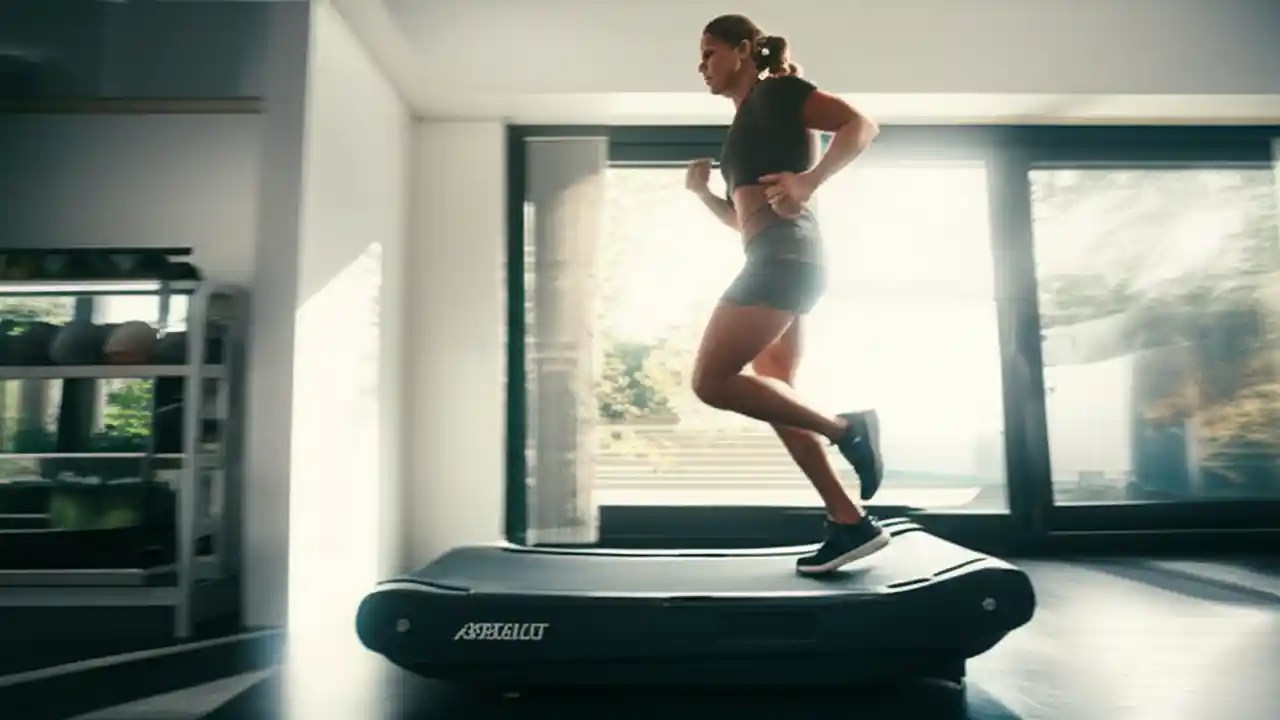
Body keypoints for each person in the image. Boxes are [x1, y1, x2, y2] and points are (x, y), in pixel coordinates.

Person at [685, 14, 886, 575]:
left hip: (784, 258)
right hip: (776, 257)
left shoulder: (776, 93)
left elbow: (860, 125)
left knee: (711, 381)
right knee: (776, 395)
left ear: (744, 49)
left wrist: (810, 181)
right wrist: (703, 195)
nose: (701, 66)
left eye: (709, 53)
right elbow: (744, 219)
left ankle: (848, 429)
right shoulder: (745, 125)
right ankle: (849, 522)